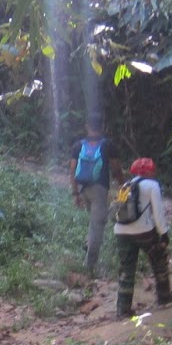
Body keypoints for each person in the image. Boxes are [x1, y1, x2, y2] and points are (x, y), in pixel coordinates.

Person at [113, 158, 172, 315]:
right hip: (144, 231)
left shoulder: (125, 185)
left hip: (121, 231)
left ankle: (123, 308)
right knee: (159, 261)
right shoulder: (152, 185)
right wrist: (164, 233)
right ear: (150, 171)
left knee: (126, 269)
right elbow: (158, 212)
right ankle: (164, 297)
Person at [67, 117, 122, 278]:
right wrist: (124, 185)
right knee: (98, 225)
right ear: (103, 126)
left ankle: (88, 243)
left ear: (86, 126)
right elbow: (116, 169)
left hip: (84, 189)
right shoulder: (108, 145)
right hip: (99, 189)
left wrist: (75, 193)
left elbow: (72, 171)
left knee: (95, 221)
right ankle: (90, 266)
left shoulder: (78, 145)